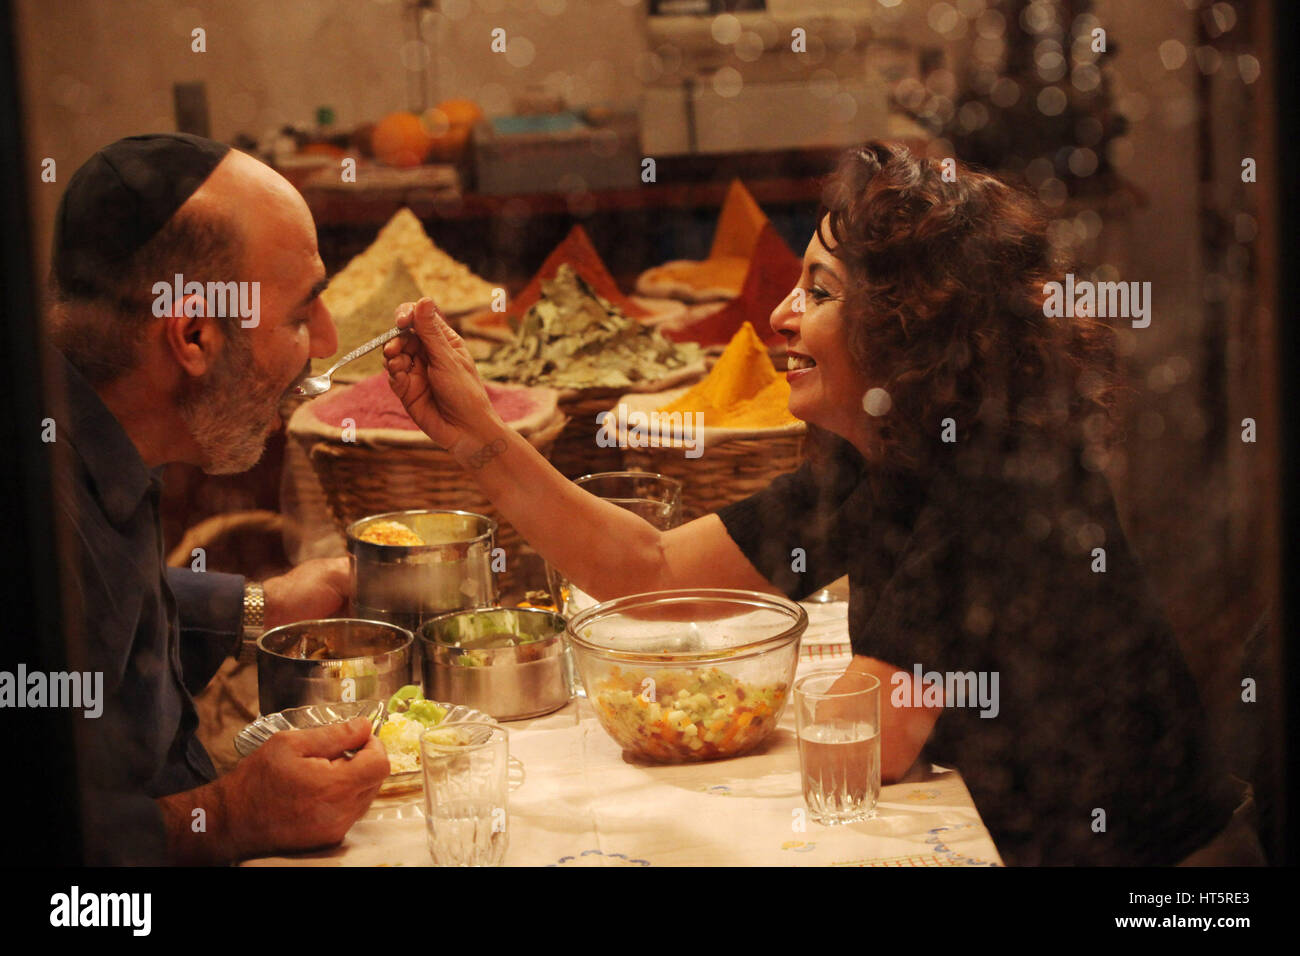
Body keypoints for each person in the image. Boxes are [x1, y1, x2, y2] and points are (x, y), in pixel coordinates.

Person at [383, 141, 1260, 865]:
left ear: (912, 325)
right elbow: (647, 570)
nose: (780, 315)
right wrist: (478, 438)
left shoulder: (994, 479)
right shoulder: (884, 452)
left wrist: (730, 694)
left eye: (820, 292)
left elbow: (866, 741)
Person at [46, 133, 390, 865]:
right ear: (194, 335)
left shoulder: (99, 431)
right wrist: (229, 815)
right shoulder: (43, 519)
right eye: (301, 316)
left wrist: (260, 607)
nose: (326, 341)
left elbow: (110, 610)